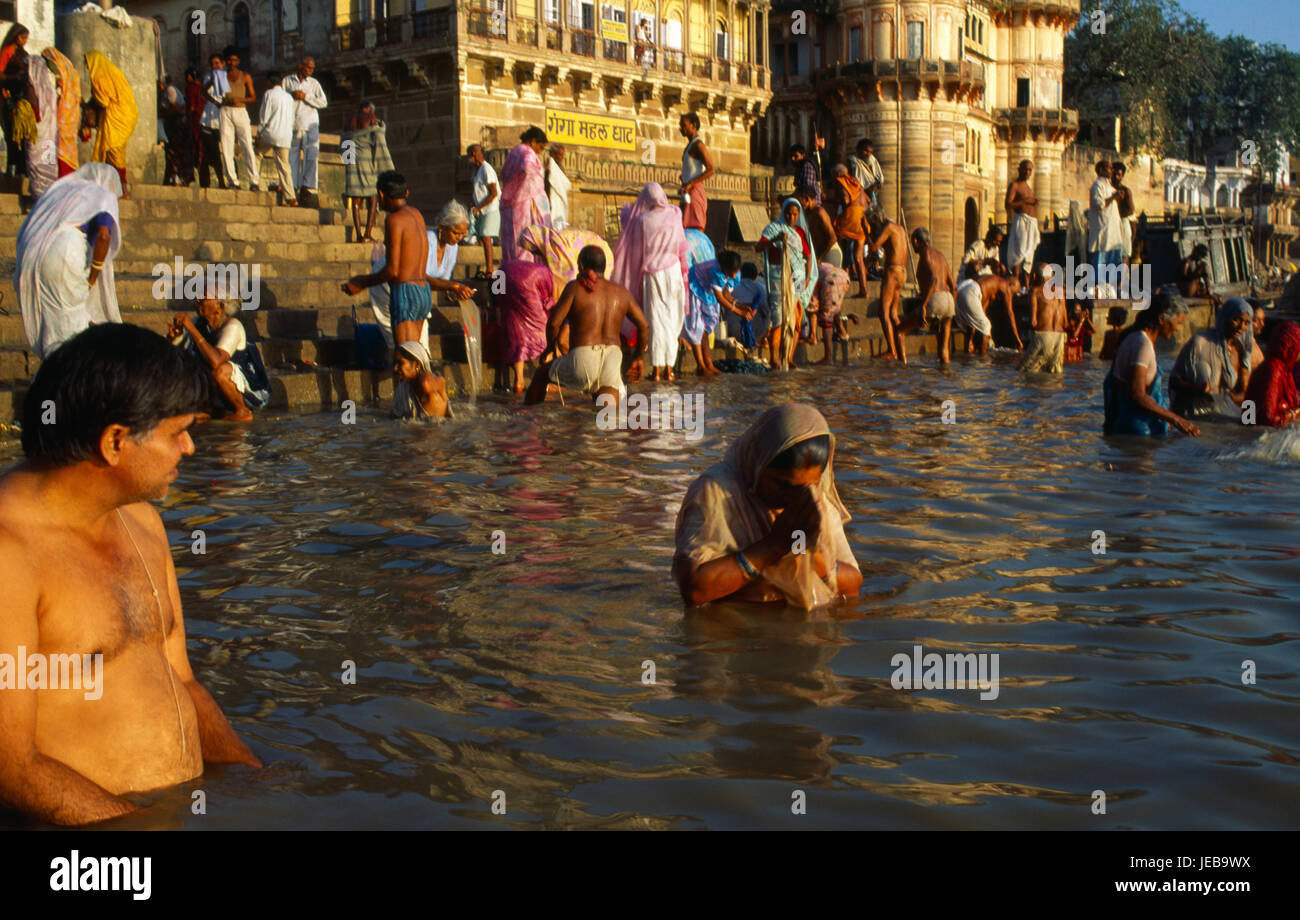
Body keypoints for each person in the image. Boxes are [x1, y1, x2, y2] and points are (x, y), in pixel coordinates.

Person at [0, 324, 261, 826]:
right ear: (115, 441)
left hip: (165, 815)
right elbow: (12, 766)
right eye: (176, 432)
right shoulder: (11, 552)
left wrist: (258, 783)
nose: (189, 448)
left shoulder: (141, 520)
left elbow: (181, 676)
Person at [672, 402, 863, 609]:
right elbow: (694, 590)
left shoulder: (812, 499)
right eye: (783, 485)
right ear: (758, 463)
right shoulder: (716, 491)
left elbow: (853, 585)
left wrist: (803, 548)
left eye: (810, 485)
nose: (794, 497)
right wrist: (775, 545)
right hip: (734, 631)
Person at [15, 163, 123, 360]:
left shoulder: (63, 189)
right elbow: (103, 236)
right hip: (64, 251)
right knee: (71, 326)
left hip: (31, 253)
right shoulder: (102, 194)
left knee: (51, 324)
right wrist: (92, 277)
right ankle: (67, 377)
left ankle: (52, 374)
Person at [525, 245, 649, 406]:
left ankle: (527, 422)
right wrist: (637, 357)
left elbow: (554, 323)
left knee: (541, 374)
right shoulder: (621, 292)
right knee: (607, 417)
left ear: (581, 266)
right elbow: (644, 326)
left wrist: (550, 348)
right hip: (613, 359)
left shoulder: (575, 287)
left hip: (582, 359)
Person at [342, 170, 431, 347]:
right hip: (423, 291)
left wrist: (361, 282)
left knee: (405, 357)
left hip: (405, 292)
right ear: (406, 193)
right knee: (416, 357)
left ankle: (433, 377)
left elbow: (393, 270)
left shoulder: (394, 220)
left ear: (380, 194)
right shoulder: (416, 214)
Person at [610, 182, 688, 382]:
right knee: (671, 319)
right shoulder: (675, 214)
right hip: (674, 271)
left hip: (654, 274)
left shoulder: (642, 221)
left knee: (656, 320)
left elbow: (635, 249)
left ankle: (657, 371)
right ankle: (669, 369)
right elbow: (681, 246)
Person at [1102, 287, 1200, 437]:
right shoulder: (1142, 343)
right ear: (1162, 319)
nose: (1179, 329)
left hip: (1132, 428)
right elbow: (1137, 394)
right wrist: (1176, 420)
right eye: (1178, 323)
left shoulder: (1136, 339)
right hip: (1137, 431)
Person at [168, 296, 270, 421]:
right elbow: (177, 352)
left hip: (249, 391)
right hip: (218, 394)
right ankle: (212, 410)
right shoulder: (198, 322)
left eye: (203, 298)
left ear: (220, 307)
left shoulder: (233, 326)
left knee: (221, 371)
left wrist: (192, 329)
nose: (197, 300)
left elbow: (215, 361)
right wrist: (174, 337)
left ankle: (242, 411)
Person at [756, 197, 818, 370]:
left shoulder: (799, 232)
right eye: (789, 214)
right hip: (779, 278)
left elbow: (807, 255)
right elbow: (758, 247)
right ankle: (774, 358)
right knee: (778, 319)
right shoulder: (773, 228)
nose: (792, 218)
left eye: (795, 214)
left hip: (798, 280)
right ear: (784, 213)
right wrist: (774, 239)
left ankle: (789, 357)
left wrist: (806, 276)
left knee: (796, 320)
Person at [1169, 297, 1254, 417]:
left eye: (1246, 323)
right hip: (1193, 416)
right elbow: (1173, 382)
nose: (1241, 327)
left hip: (1220, 420)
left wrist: (1234, 400)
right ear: (1225, 318)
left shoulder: (1241, 350)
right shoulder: (1199, 342)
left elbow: (1245, 393)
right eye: (1236, 319)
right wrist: (1196, 388)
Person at [892, 227, 956, 365]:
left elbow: (934, 280)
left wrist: (924, 306)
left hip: (935, 299)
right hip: (949, 301)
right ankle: (947, 380)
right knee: (944, 350)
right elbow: (954, 286)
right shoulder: (940, 255)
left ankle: (902, 369)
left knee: (899, 331)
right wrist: (951, 306)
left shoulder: (926, 253)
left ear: (916, 241)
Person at [82, 52, 138, 199]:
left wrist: (88, 104)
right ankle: (115, 189)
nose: (87, 67)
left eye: (87, 63)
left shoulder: (100, 75)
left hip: (116, 117)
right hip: (126, 115)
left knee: (114, 154)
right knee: (116, 154)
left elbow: (103, 101)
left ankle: (123, 191)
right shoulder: (113, 71)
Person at [683, 239, 740, 376]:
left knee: (706, 329)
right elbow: (720, 298)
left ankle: (708, 363)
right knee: (696, 327)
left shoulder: (735, 272)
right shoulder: (716, 270)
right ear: (724, 268)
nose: (733, 275)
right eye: (731, 272)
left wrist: (741, 306)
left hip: (707, 291)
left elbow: (727, 294)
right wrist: (739, 312)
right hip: (695, 287)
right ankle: (701, 366)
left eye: (735, 272)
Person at [495, 258, 554, 393]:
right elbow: (551, 307)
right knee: (545, 331)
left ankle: (519, 380)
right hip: (527, 279)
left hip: (500, 273)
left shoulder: (548, 274)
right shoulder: (557, 282)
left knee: (515, 327)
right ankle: (545, 380)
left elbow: (496, 297)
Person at [342, 100, 396, 238]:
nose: (373, 112)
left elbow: (345, 142)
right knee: (373, 197)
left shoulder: (349, 121)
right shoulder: (370, 119)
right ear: (368, 109)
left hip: (352, 160)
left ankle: (358, 235)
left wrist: (348, 163)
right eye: (372, 110)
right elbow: (378, 136)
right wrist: (381, 125)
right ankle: (367, 234)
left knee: (355, 199)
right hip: (366, 161)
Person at [500, 126, 551, 263]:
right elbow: (527, 169)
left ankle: (511, 274)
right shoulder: (527, 152)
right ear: (533, 141)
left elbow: (503, 174)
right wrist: (533, 189)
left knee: (511, 243)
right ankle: (525, 276)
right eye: (540, 147)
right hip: (523, 204)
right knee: (525, 242)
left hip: (508, 204)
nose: (540, 152)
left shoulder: (514, 152)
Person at [864, 206, 909, 361]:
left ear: (876, 218)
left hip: (892, 272)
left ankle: (892, 350)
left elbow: (874, 247)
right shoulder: (900, 228)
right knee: (894, 315)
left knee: (883, 313)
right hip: (902, 272)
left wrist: (865, 232)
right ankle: (902, 355)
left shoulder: (889, 227)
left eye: (871, 222)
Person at [283, 57, 327, 204]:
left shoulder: (314, 84)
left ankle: (307, 186)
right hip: (292, 124)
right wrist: (292, 95)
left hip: (309, 124)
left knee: (311, 156)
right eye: (308, 67)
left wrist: (306, 97)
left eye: (312, 68)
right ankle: (293, 185)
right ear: (301, 66)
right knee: (291, 157)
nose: (310, 70)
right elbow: (281, 98)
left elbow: (323, 102)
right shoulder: (288, 81)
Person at [1243, 320, 1300, 428]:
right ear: (1289, 348)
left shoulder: (1283, 371)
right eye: (1298, 349)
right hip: (1257, 439)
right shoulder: (1273, 371)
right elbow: (1268, 420)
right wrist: (1296, 412)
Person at [257, 71, 299, 207]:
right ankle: (291, 197)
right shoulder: (289, 98)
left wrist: (258, 134)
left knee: (257, 154)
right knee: (285, 166)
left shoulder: (269, 94)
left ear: (269, 82)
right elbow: (292, 119)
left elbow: (264, 117)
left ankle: (254, 182)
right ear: (281, 83)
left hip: (271, 133)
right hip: (285, 135)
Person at [956, 270, 1020, 355]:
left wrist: (988, 336)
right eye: (1014, 293)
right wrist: (1017, 338)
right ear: (1011, 284)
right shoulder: (1005, 284)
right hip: (972, 290)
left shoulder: (992, 280)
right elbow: (1010, 314)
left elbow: (981, 312)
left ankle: (967, 355)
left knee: (972, 324)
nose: (1011, 295)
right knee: (986, 326)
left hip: (962, 287)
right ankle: (984, 361)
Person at [1019, 262, 1067, 374]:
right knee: (1053, 378)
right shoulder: (1061, 292)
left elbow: (1033, 322)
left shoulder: (1035, 292)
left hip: (1042, 337)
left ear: (1035, 276)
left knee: (1023, 372)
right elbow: (1065, 324)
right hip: (1060, 339)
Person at [40, 48, 81, 180]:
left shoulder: (59, 78)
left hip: (58, 117)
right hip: (70, 118)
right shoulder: (72, 77)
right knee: (65, 151)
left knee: (54, 148)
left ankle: (53, 181)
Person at [424, 200, 476, 302]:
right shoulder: (427, 239)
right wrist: (454, 286)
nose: (459, 238)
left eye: (463, 234)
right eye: (455, 233)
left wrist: (456, 292)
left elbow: (444, 282)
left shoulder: (453, 247)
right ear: (442, 227)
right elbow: (420, 277)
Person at [830, 164, 868, 299]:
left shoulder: (843, 182)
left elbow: (845, 200)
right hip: (863, 222)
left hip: (851, 221)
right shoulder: (856, 183)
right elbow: (868, 202)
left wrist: (827, 198)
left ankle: (842, 289)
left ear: (838, 174)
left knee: (837, 243)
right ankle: (864, 290)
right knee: (858, 258)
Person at [1087, 160, 1124, 293]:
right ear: (1101, 170)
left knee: (1114, 261)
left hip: (1113, 233)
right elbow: (1098, 204)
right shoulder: (1097, 186)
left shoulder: (1111, 187)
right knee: (1100, 262)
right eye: (1108, 167)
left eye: (1111, 167)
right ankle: (1098, 289)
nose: (1111, 170)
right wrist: (1113, 197)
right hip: (1102, 231)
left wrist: (1116, 196)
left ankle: (1112, 289)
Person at [24, 56, 58, 197]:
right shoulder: (50, 88)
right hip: (50, 135)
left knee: (36, 163)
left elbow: (33, 111)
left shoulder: (31, 86)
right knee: (48, 163)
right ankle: (48, 195)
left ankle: (38, 195)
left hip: (39, 133)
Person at [392, 340, 451, 420]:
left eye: (400, 363)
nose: (395, 368)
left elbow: (437, 381)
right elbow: (393, 416)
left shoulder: (427, 384)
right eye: (394, 363)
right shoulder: (404, 387)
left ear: (417, 364)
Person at [0, 24, 29, 180]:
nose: (24, 41)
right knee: (11, 133)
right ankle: (12, 169)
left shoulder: (21, 53)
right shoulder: (6, 52)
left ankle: (21, 169)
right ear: (15, 36)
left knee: (22, 134)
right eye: (22, 37)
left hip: (20, 98)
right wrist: (15, 77)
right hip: (7, 97)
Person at [812, 249, 850, 364]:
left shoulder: (811, 271)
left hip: (831, 279)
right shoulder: (822, 265)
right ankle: (842, 332)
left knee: (826, 318)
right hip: (844, 276)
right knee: (835, 308)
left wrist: (813, 332)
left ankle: (828, 357)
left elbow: (813, 300)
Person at [467, 143, 500, 276]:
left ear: (474, 154)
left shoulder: (487, 169)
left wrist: (478, 208)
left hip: (490, 209)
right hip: (480, 210)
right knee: (480, 238)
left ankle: (490, 270)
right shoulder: (477, 171)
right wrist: (473, 204)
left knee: (486, 238)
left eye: (469, 155)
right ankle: (485, 267)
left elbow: (493, 193)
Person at [1004, 159, 1038, 287]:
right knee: (1019, 254)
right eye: (1026, 169)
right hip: (1022, 222)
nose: (1028, 172)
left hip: (1032, 224)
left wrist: (1032, 202)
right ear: (1019, 170)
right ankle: (1015, 283)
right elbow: (1007, 204)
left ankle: (1027, 286)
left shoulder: (1028, 187)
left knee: (1029, 256)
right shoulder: (1015, 185)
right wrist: (1025, 202)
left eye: (1030, 170)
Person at [196, 54, 228, 190]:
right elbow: (203, 92)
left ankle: (230, 180)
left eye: (217, 63)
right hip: (209, 119)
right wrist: (215, 101)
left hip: (224, 119)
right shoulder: (209, 77)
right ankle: (218, 181)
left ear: (223, 64)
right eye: (212, 64)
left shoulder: (227, 77)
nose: (215, 66)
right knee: (213, 153)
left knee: (227, 153)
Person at [679, 112, 714, 230]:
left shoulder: (698, 145)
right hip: (687, 192)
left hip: (695, 192)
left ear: (693, 125)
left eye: (684, 125)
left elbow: (711, 169)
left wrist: (691, 183)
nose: (681, 129)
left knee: (696, 230)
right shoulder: (690, 145)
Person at [158, 76, 193, 187]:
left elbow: (176, 108)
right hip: (173, 125)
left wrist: (162, 114)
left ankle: (177, 179)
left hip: (175, 126)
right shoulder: (166, 92)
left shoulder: (170, 90)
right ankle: (170, 179)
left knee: (175, 154)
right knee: (171, 154)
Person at [727, 261, 769, 352]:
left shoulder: (732, 286)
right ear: (756, 276)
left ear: (741, 275)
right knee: (770, 313)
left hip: (733, 331)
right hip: (756, 333)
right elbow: (766, 312)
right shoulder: (760, 287)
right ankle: (761, 340)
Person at [795, 184, 838, 265]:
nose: (799, 204)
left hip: (830, 253)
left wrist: (820, 257)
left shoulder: (820, 212)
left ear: (807, 199)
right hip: (819, 256)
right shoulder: (806, 214)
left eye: (800, 201)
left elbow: (833, 238)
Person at [849, 138, 884, 207]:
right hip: (859, 197)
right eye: (865, 151)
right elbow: (856, 183)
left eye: (870, 152)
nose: (868, 154)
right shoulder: (853, 162)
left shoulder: (872, 160)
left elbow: (879, 177)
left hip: (872, 195)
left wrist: (877, 184)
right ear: (858, 149)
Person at [1112, 161, 1136, 262]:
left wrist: (1116, 215)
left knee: (1123, 256)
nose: (1117, 177)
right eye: (1115, 174)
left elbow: (1130, 210)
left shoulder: (1126, 191)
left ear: (1122, 176)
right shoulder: (1107, 188)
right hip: (1110, 226)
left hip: (1122, 223)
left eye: (1119, 175)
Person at [545, 144, 571, 230]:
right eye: (560, 154)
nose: (562, 157)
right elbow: (548, 185)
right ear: (553, 155)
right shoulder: (550, 168)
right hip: (552, 202)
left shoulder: (559, 168)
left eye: (563, 155)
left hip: (560, 203)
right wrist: (548, 202)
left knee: (559, 229)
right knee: (552, 228)